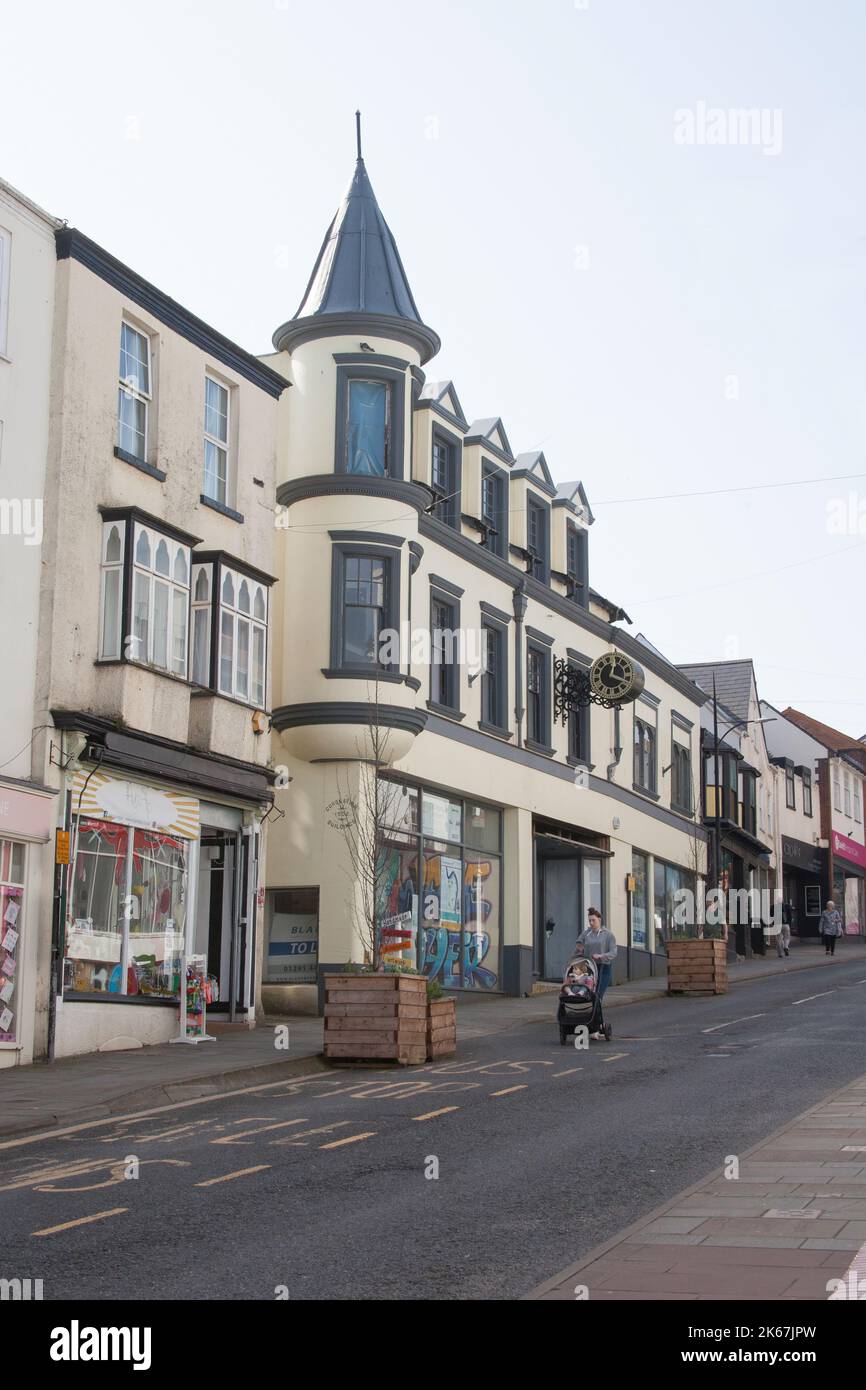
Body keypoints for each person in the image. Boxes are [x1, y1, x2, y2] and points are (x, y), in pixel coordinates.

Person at [574, 908, 617, 1036]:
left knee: (597, 996)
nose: (591, 923)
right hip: (589, 968)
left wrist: (601, 956)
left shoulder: (608, 935)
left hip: (603, 968)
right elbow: (578, 944)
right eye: (589, 920)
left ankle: (596, 1026)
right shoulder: (586, 933)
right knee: (588, 995)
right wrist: (579, 951)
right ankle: (593, 1024)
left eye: (593, 920)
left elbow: (613, 952)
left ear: (599, 919)